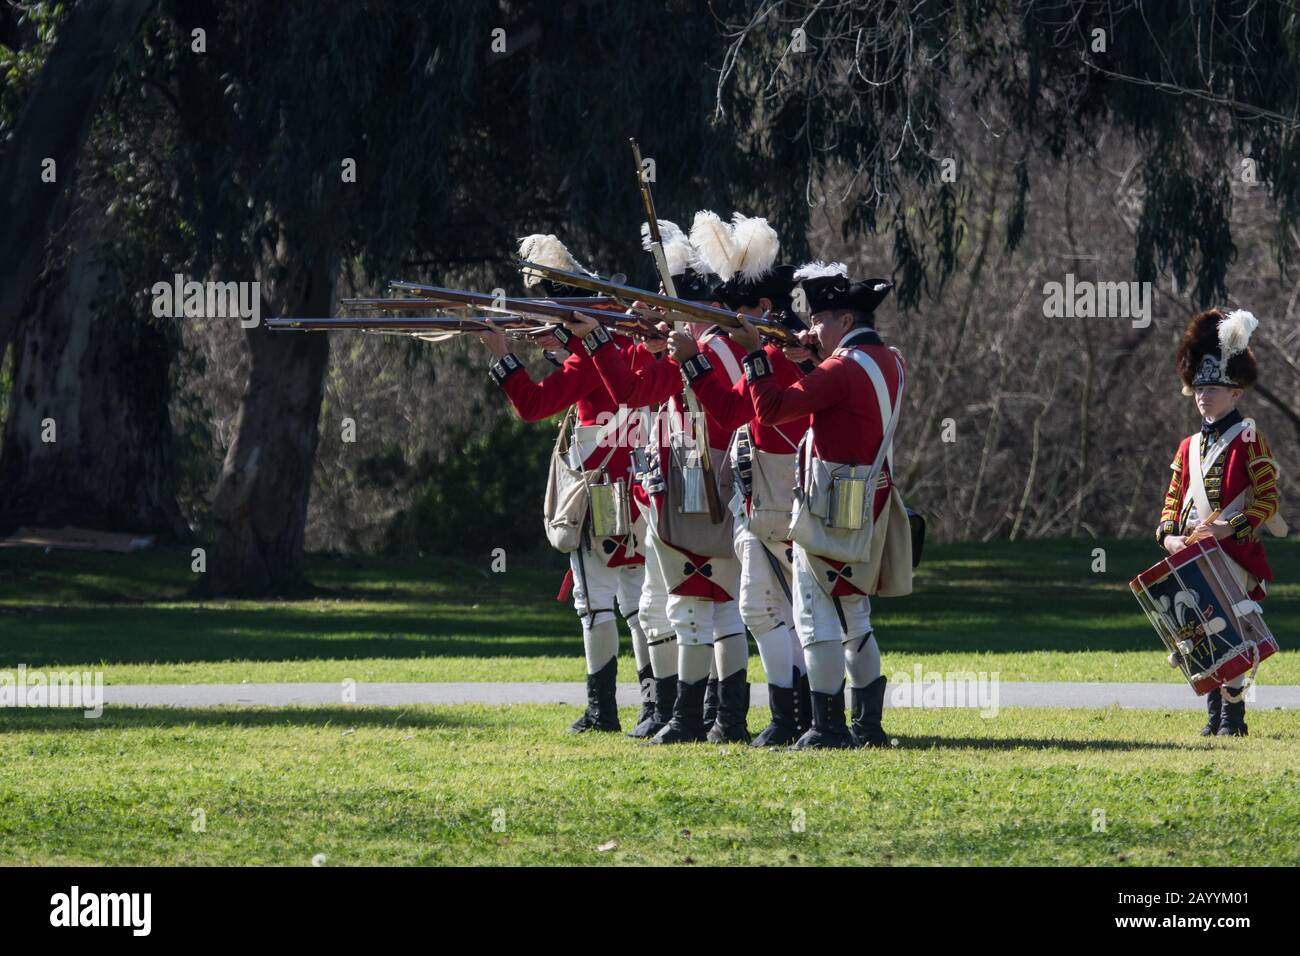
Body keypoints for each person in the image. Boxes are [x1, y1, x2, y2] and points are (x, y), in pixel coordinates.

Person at [566, 211, 750, 744]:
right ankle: (701, 715)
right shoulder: (715, 344)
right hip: (690, 486)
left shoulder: (708, 348)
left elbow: (633, 395)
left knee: (704, 608)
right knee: (693, 607)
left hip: (701, 487)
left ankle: (706, 717)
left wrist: (600, 339)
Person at [482, 235, 664, 733]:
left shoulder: (589, 357)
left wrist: (502, 357)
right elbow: (595, 384)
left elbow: (534, 406)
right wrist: (562, 348)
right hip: (641, 489)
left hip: (600, 489)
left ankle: (602, 710)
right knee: (638, 602)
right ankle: (654, 705)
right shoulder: (623, 347)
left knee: (594, 603)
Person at [731, 262, 905, 749]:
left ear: (845, 322)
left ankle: (827, 727)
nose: (812, 328)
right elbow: (836, 401)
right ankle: (866, 727)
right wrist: (809, 358)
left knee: (815, 617)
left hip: (829, 504)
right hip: (866, 502)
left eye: (822, 320)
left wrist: (755, 357)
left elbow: (771, 409)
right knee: (855, 616)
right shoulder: (887, 360)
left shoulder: (843, 367)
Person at [668, 214, 814, 745]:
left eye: (741, 309)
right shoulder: (778, 352)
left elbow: (739, 414)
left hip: (779, 494)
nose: (730, 317)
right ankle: (796, 715)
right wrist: (692, 364)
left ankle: (793, 716)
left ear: (764, 311)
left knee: (769, 609)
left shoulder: (781, 354)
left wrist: (701, 362)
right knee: (783, 611)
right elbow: (733, 411)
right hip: (766, 494)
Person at [1158, 307, 1283, 736]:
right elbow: (1172, 503)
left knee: (1230, 629)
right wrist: (1169, 538)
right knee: (1200, 631)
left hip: (1230, 551)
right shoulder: (1188, 445)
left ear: (1236, 394)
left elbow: (1268, 498)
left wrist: (1232, 528)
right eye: (1198, 387)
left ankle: (1234, 717)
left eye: (1213, 388)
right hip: (1190, 551)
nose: (1203, 395)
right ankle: (1214, 716)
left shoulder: (1249, 438)